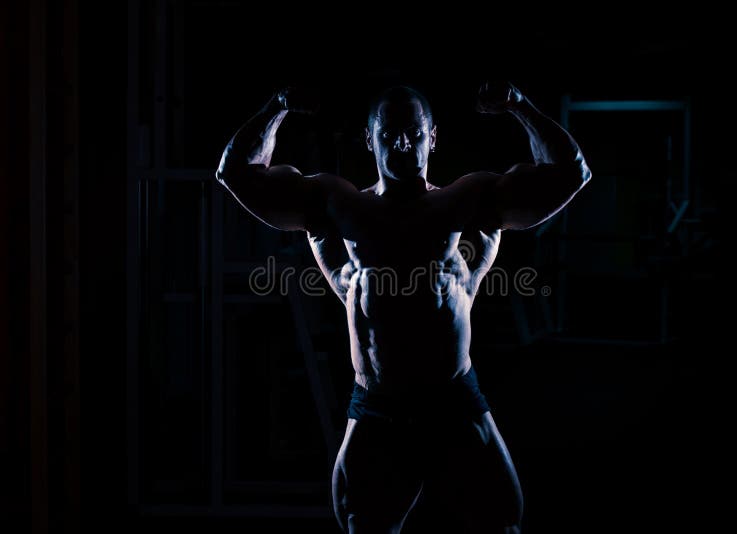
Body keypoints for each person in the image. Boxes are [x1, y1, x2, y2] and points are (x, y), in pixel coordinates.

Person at [216, 82, 591, 533]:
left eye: (413, 133)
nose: (401, 144)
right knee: (363, 524)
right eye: (388, 133)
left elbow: (571, 173)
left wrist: (519, 104)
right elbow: (235, 173)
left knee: (501, 523)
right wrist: (277, 106)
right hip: (378, 404)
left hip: (452, 403)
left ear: (432, 137)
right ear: (369, 139)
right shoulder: (337, 203)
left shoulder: (467, 200)